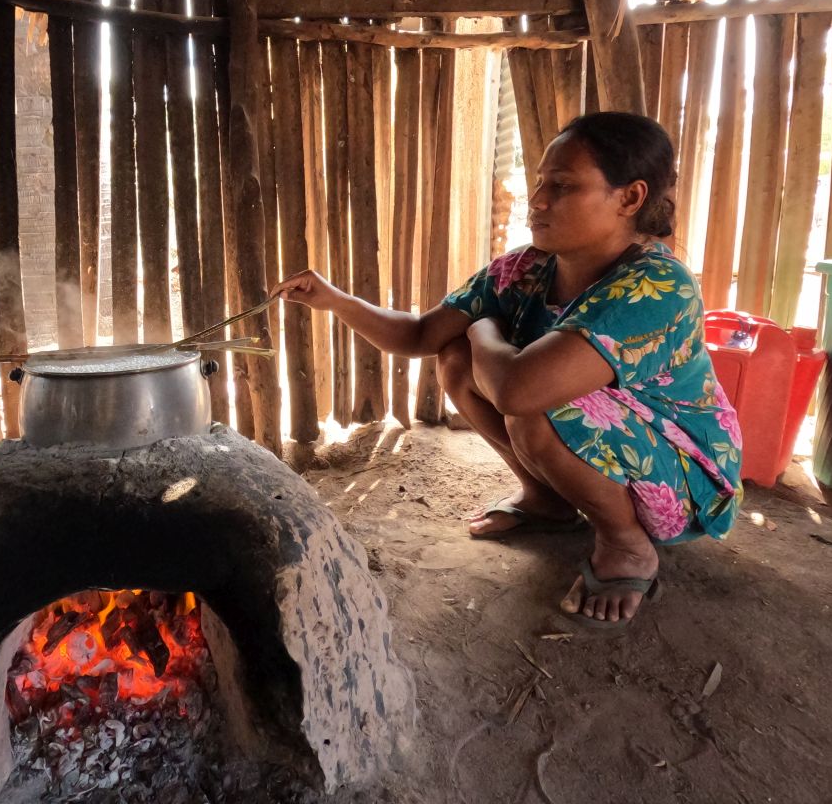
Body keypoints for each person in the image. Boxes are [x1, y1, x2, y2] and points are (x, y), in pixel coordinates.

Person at [272, 111, 743, 630]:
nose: (537, 200)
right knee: (455, 360)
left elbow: (519, 390)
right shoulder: (525, 267)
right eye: (539, 183)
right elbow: (419, 335)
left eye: (561, 186)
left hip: (678, 474)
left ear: (629, 198)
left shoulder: (656, 286)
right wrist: (335, 300)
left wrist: (481, 331)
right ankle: (546, 500)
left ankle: (628, 545)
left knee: (531, 396)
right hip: (603, 441)